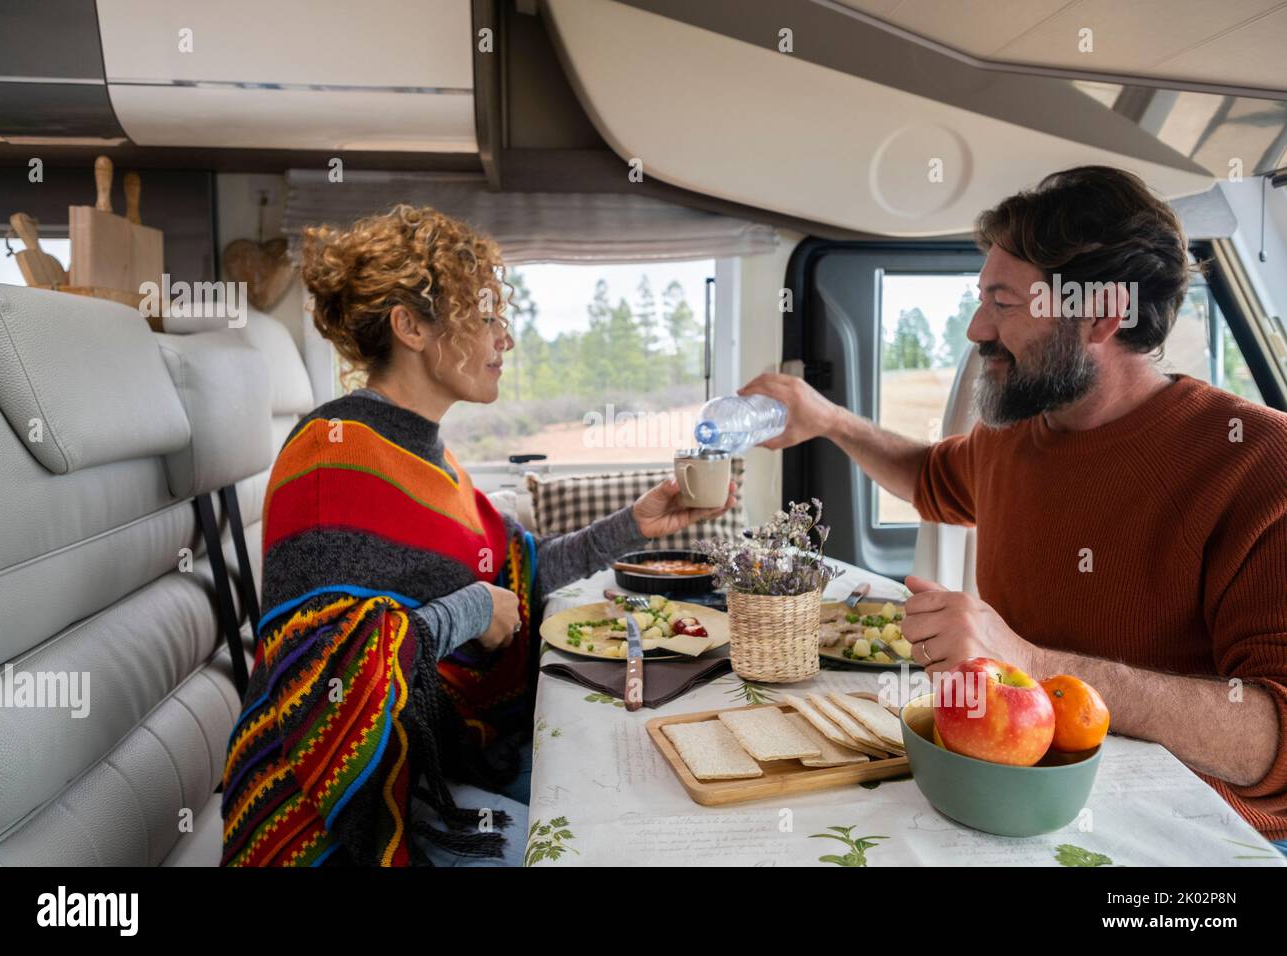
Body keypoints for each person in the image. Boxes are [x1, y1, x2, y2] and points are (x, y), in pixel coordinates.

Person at [743, 166, 1287, 845]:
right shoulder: (1013, 434)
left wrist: (1033, 664)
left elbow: (1274, 737)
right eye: (981, 299)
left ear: (1101, 315)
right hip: (1018, 797)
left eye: (1003, 303)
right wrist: (828, 420)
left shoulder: (1259, 461)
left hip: (1189, 834)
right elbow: (929, 477)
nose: (977, 328)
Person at [221, 204, 735, 866]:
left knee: (629, 778)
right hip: (337, 810)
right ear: (410, 327)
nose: (506, 340)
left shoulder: (431, 456)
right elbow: (325, 678)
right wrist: (469, 611)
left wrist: (635, 524)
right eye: (487, 317)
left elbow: (520, 574)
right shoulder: (334, 452)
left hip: (435, 759)